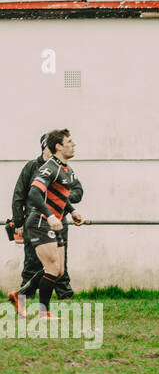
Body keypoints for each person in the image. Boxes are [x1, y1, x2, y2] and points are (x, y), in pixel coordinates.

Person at [8, 133, 78, 316]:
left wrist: (72, 211)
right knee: (42, 266)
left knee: (59, 270)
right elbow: (31, 194)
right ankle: (43, 311)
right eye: (69, 142)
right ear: (58, 147)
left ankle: (19, 295)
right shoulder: (46, 168)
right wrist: (21, 220)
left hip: (55, 223)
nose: (74, 144)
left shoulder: (66, 169)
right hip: (40, 222)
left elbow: (62, 194)